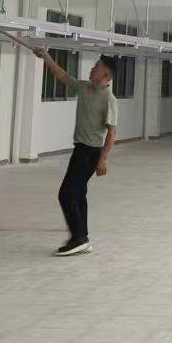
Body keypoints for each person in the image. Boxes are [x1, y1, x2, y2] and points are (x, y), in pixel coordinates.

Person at [32, 46, 118, 256]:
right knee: (78, 194)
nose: (92, 69)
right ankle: (82, 237)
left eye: (96, 67)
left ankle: (79, 238)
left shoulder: (109, 99)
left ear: (106, 75)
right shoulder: (85, 87)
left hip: (90, 153)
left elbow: (111, 132)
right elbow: (63, 76)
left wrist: (103, 159)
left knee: (66, 194)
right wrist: (46, 57)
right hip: (80, 149)